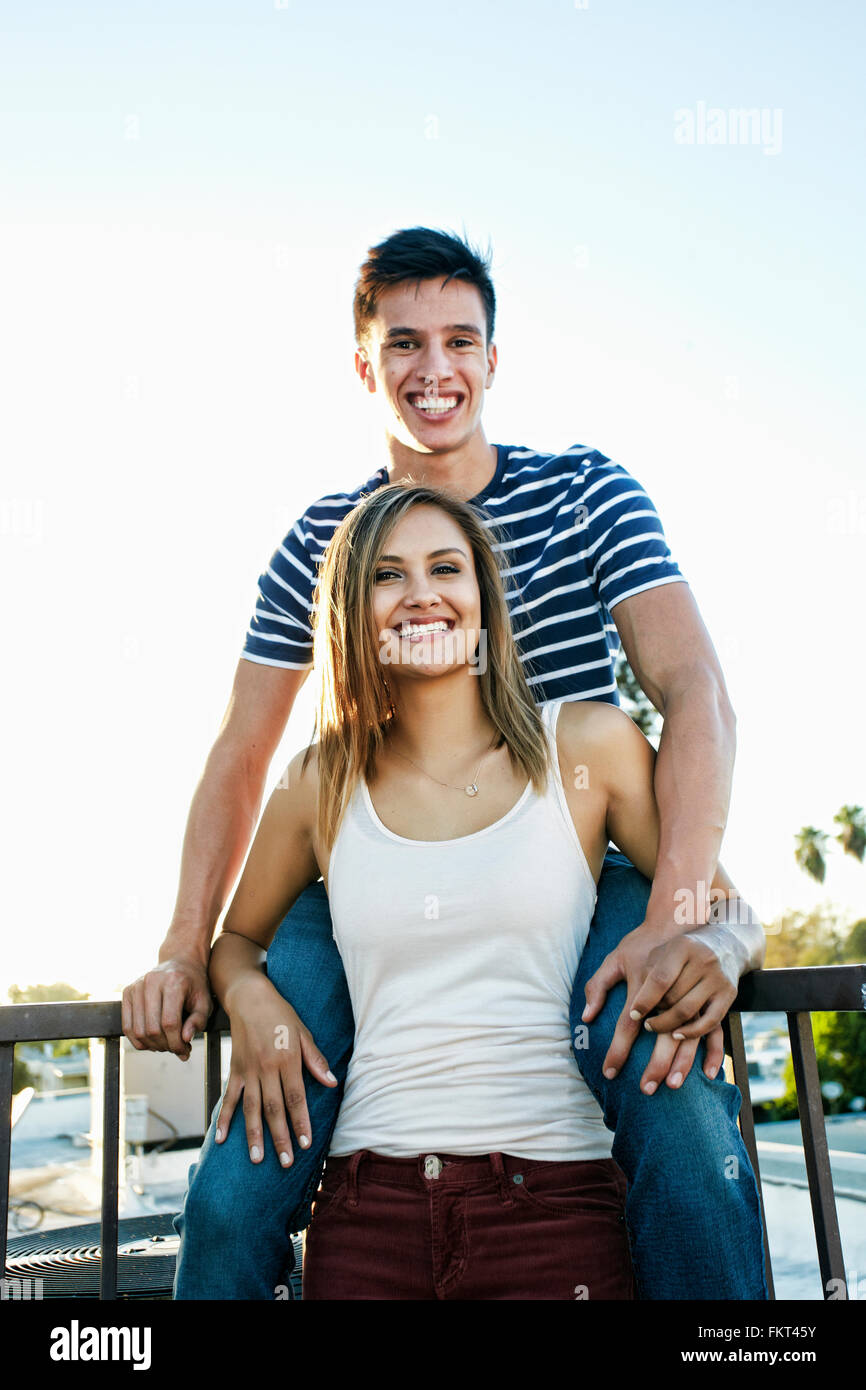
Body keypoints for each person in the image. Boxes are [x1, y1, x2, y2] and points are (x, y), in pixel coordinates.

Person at [122, 226, 769, 1298]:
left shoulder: (584, 492)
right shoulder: (320, 541)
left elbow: (693, 688)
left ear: (491, 361)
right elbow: (243, 749)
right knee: (234, 1183)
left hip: (574, 848)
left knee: (680, 1115)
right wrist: (191, 954)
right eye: (405, 343)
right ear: (365, 365)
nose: (435, 370)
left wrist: (677, 907)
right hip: (364, 876)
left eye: (459, 341)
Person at [202, 481, 763, 1300]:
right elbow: (237, 942)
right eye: (387, 576)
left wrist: (719, 945)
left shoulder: (591, 747)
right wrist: (246, 994)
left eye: (446, 568)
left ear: (484, 598)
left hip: (554, 1209)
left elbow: (730, 908)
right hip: (367, 1215)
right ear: (353, 612)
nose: (422, 594)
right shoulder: (316, 783)